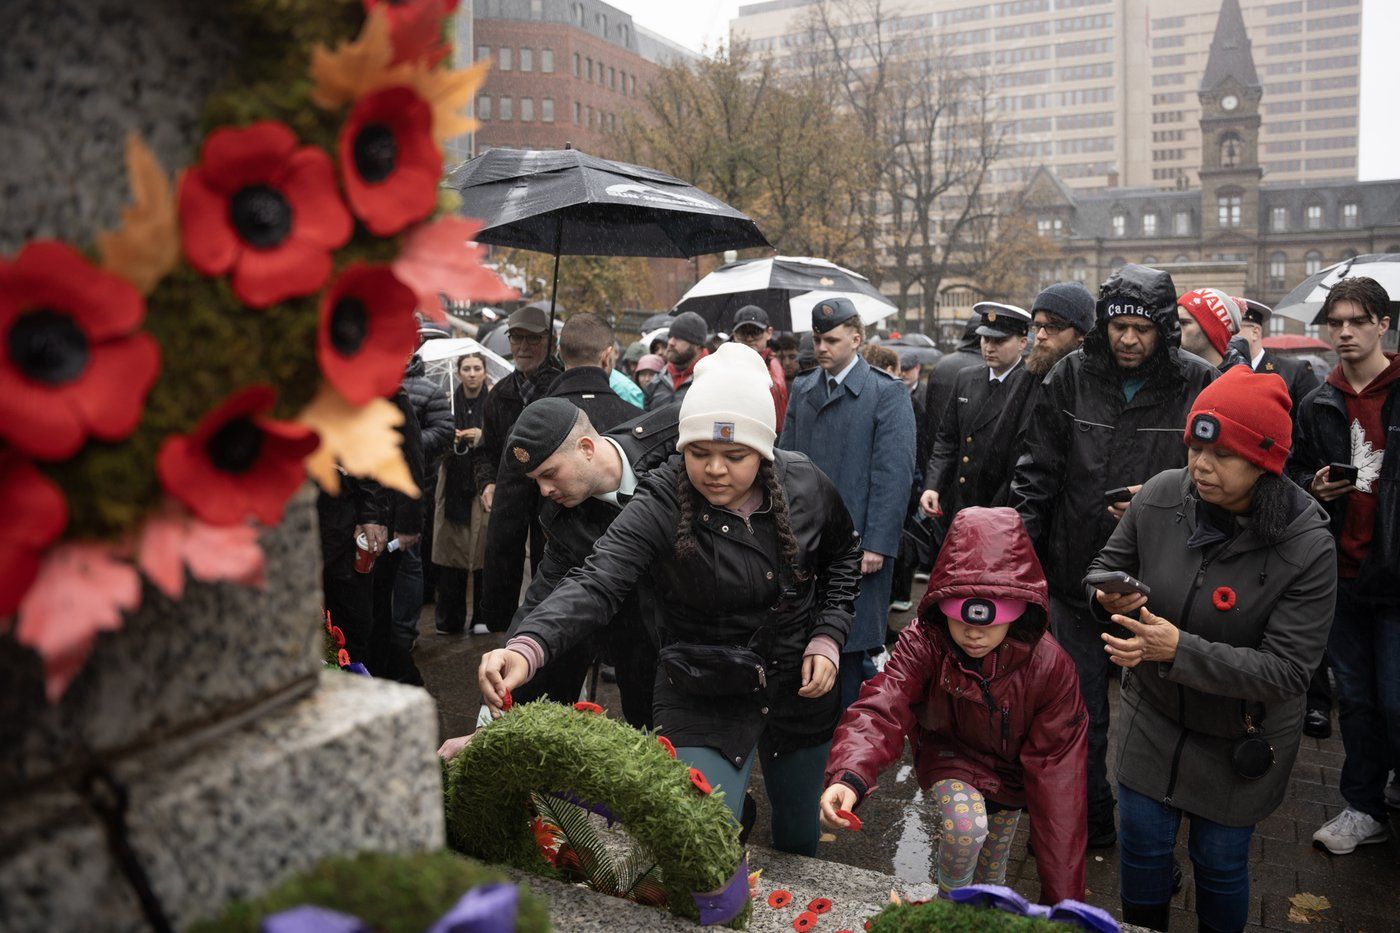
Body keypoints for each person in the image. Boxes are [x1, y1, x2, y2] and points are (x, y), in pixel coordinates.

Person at [478, 342, 862, 855]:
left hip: (798, 682)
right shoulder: (661, 499)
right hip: (702, 682)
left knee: (798, 835)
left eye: (735, 455)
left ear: (765, 451)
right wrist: (526, 648)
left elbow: (843, 556)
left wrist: (828, 633)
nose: (716, 470)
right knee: (694, 839)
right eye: (699, 453)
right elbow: (596, 580)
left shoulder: (807, 485)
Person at [1085, 366, 1336, 932]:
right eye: (1196, 447)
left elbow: (1289, 671)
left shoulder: (1308, 543)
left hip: (1240, 738)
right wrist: (1109, 598)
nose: (1200, 466)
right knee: (1142, 855)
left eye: (1222, 454)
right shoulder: (1161, 493)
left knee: (1219, 867)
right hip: (1152, 719)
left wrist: (1176, 650)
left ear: (1265, 462)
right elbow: (1104, 569)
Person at [1010, 264, 1217, 847]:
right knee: (1078, 714)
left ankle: (1157, 843)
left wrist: (1162, 502)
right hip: (1077, 577)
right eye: (1120, 326)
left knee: (1162, 719)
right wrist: (1024, 565)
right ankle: (1084, 818)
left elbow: (1224, 477)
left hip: (1167, 584)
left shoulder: (1199, 381)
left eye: (1144, 329)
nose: (1129, 340)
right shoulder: (1070, 377)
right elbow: (1036, 475)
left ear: (1165, 331)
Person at [821, 507, 1087, 905]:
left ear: (1018, 611)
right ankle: (948, 909)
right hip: (951, 753)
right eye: (961, 622)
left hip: (1012, 777)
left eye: (989, 623)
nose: (973, 636)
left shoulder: (1050, 667)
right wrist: (849, 774)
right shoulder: (924, 640)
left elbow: (1060, 784)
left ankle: (978, 913)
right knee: (966, 828)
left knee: (993, 871)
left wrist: (1066, 907)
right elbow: (884, 702)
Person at [440, 398, 677, 737]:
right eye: (535, 480)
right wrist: (492, 712)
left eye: (549, 474)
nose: (545, 490)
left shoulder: (671, 438)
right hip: (642, 668)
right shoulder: (563, 522)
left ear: (585, 447)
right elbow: (542, 602)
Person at [1289, 277, 1400, 855]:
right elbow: (1292, 476)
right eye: (1335, 323)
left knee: (1396, 699)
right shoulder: (1317, 401)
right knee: (1354, 698)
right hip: (1342, 575)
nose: (1345, 332)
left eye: (1357, 321)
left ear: (1383, 323)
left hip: (1396, 575)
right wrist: (1313, 485)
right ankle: (1363, 806)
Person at [779, 297, 916, 708]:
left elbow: (894, 475)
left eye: (832, 340)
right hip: (808, 542)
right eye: (817, 339)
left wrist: (877, 543)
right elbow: (785, 466)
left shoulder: (885, 393)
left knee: (852, 654)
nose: (821, 347)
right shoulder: (803, 389)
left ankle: (851, 756)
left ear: (856, 339)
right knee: (808, 641)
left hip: (859, 545)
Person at [480, 313, 640, 632]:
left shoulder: (534, 427)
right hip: (628, 595)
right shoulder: (635, 420)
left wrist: (498, 611)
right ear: (608, 355)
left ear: (558, 352)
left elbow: (506, 525)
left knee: (555, 683)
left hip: (559, 599)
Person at [1234, 296, 1329, 735]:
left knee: (1291, 604)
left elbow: (1309, 439)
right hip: (1233, 507)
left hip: (1280, 502)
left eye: (1239, 327)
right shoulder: (1218, 373)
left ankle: (1316, 701)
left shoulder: (1293, 374)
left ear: (1254, 329)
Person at [474, 305, 564, 622]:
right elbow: (486, 449)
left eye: (533, 339)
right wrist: (486, 482)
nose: (524, 347)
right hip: (510, 505)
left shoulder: (562, 389)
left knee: (549, 573)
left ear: (549, 341)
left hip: (554, 501)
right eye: (517, 338)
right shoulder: (499, 394)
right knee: (506, 570)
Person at [981, 282, 1095, 509]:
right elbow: (1000, 455)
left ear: (1081, 335)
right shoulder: (1026, 378)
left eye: (1053, 326)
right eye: (1038, 326)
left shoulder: (1091, 387)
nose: (1041, 335)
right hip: (1016, 509)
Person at [920, 302, 1033, 527]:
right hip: (959, 504)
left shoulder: (1030, 385)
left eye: (999, 341)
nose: (989, 347)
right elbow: (947, 439)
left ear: (1022, 342)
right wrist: (933, 485)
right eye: (985, 339)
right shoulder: (966, 378)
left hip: (999, 510)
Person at [394, 329, 456, 646]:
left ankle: (405, 630)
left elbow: (445, 431)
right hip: (380, 489)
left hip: (417, 486)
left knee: (409, 561)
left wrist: (411, 442)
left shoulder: (430, 391)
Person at [434, 352, 491, 635]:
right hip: (454, 483)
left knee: (482, 550)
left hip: (482, 483)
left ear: (484, 372)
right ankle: (450, 618)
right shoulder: (448, 403)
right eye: (466, 368)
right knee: (452, 551)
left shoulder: (493, 404)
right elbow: (436, 438)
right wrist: (450, 437)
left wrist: (480, 436)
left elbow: (500, 439)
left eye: (476, 368)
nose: (471, 373)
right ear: (458, 373)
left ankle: (482, 615)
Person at [889, 352, 930, 614]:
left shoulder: (921, 397)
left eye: (907, 368)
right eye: (899, 369)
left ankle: (903, 592)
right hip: (906, 474)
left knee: (907, 539)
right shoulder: (897, 396)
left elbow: (922, 442)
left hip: (913, 476)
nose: (902, 373)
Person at [922, 317, 983, 446]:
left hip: (938, 447)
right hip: (971, 451)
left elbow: (930, 414)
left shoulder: (941, 364)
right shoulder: (989, 368)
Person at [730, 304, 789, 426]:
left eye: (755, 332)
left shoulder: (776, 363)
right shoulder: (725, 366)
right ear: (734, 335)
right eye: (744, 332)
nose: (750, 338)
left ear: (769, 332)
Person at [645, 310, 709, 410]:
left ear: (697, 344)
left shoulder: (712, 382)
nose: (670, 342)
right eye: (670, 337)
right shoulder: (656, 381)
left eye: (679, 338)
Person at [1176, 288, 1248, 372]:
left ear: (1213, 331)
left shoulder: (1239, 383)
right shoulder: (1169, 378)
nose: (1175, 329)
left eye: (1184, 323)